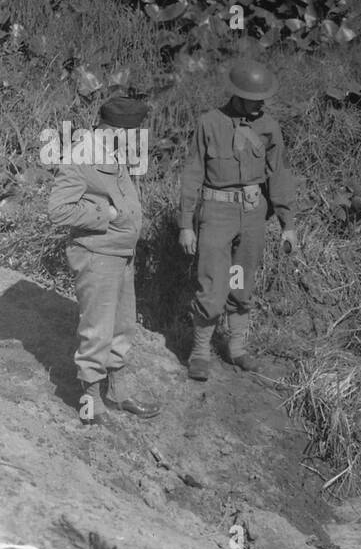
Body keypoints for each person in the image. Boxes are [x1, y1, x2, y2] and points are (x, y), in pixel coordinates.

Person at [179, 60, 298, 380]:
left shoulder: (269, 127)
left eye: (263, 98)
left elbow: (279, 174)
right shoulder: (210, 123)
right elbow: (193, 173)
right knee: (212, 284)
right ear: (237, 95)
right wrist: (185, 224)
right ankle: (201, 352)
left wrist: (288, 223)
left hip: (252, 214)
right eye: (254, 97)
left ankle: (237, 349)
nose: (260, 103)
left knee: (241, 283)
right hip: (216, 213)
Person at [48, 96, 161, 424]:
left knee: (123, 325)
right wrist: (105, 213)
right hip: (97, 255)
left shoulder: (111, 151)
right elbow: (57, 209)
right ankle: (91, 401)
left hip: (122, 253)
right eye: (131, 133)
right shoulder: (80, 156)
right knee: (97, 329)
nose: (135, 139)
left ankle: (119, 392)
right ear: (113, 130)